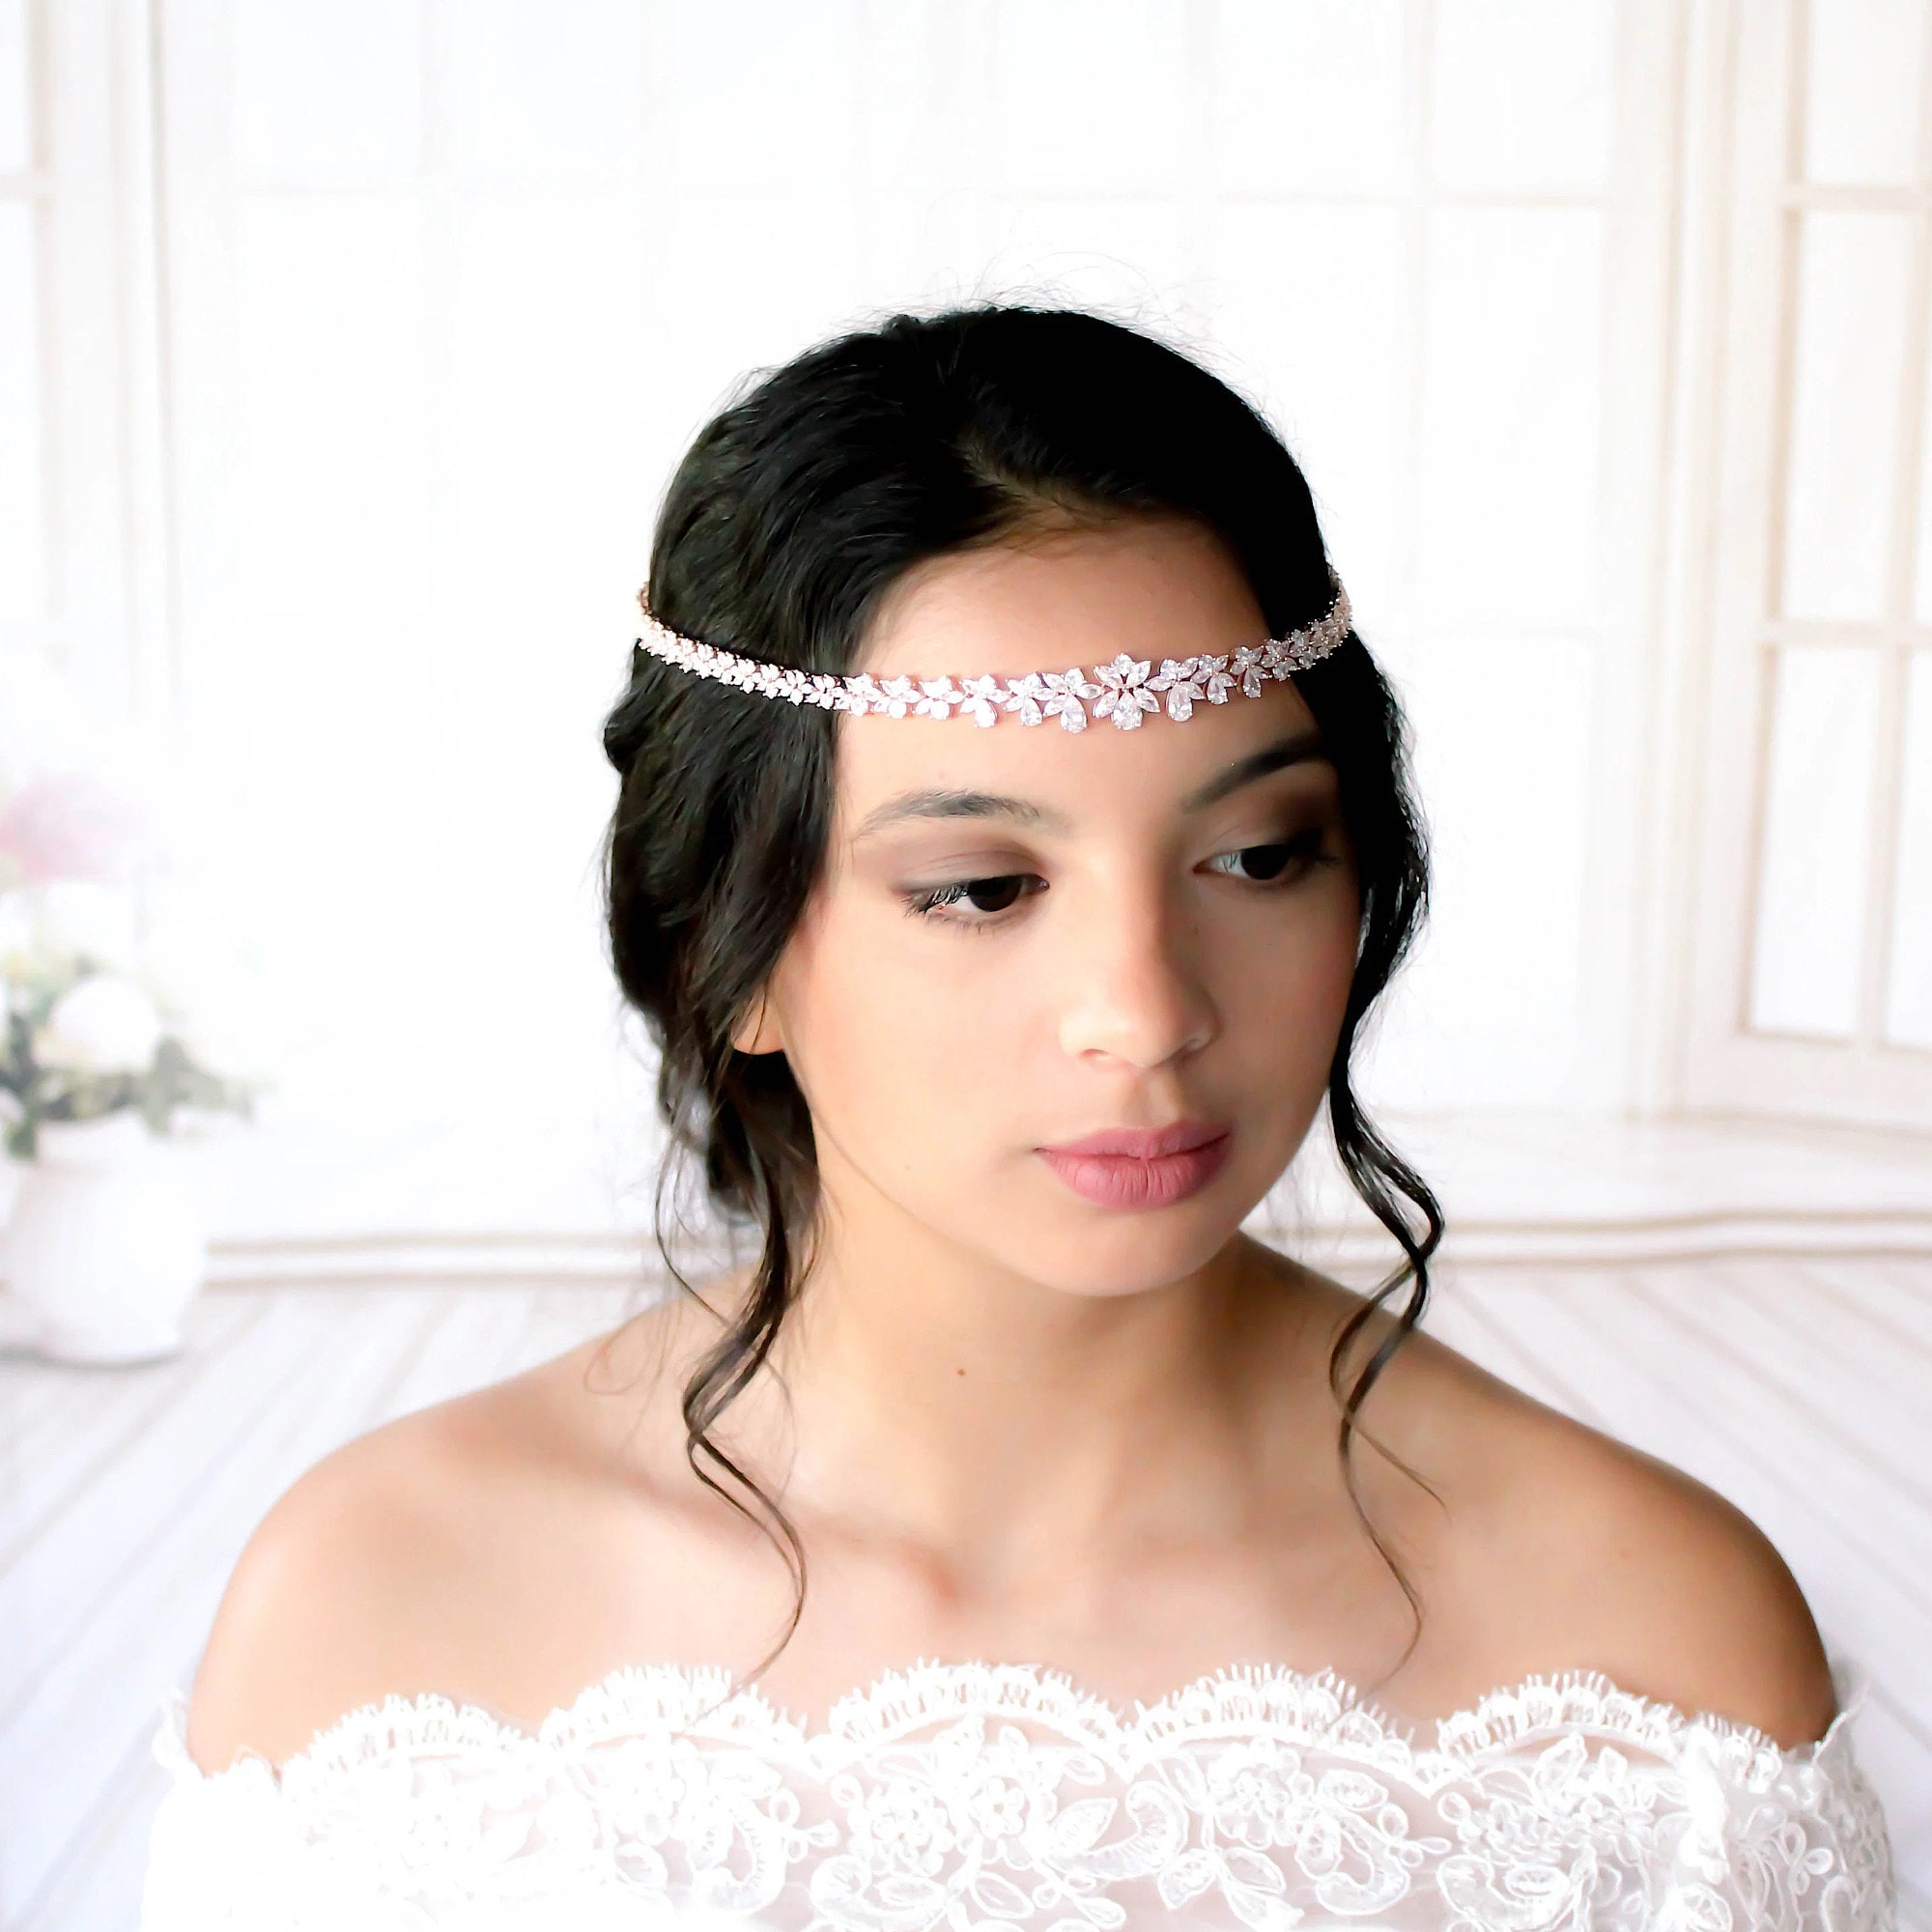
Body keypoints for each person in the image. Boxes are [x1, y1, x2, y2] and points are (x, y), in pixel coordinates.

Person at [141, 304, 1895, 1928]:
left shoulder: (1650, 1648)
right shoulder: (380, 1617)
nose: (1148, 1011)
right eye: (982, 887)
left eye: (1257, 856)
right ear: (727, 952)